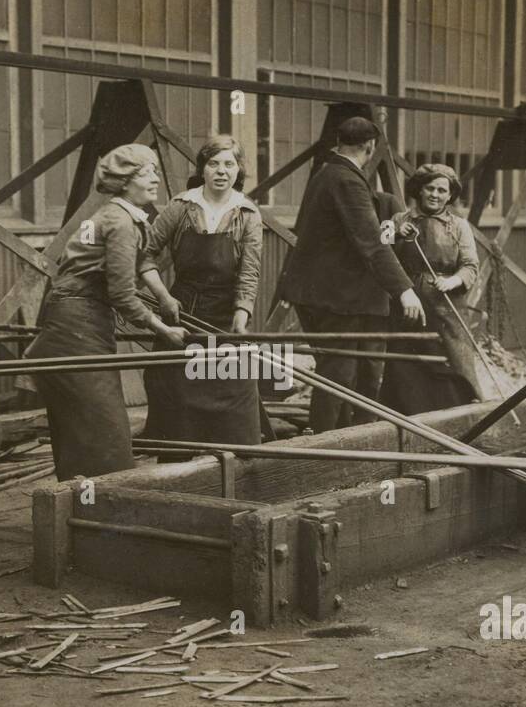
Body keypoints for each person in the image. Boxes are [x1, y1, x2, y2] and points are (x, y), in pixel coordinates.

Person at [26, 144, 186, 481]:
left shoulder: (123, 216)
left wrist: (164, 296)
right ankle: (100, 501)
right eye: (148, 173)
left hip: (84, 320)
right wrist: (162, 329)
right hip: (75, 326)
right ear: (126, 181)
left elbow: (141, 260)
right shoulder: (119, 221)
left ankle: (85, 499)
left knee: (89, 423)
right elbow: (123, 296)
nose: (156, 179)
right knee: (103, 424)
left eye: (155, 171)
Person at [278, 116, 426, 431]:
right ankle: (326, 444)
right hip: (338, 297)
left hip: (327, 293)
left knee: (350, 372)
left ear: (339, 142)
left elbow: (364, 213)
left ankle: (345, 436)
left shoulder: (328, 173)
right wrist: (405, 289)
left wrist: (391, 219)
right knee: (339, 374)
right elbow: (371, 244)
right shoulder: (346, 179)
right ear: (370, 147)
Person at [139, 136, 263, 457]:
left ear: (239, 170)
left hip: (225, 317)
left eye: (229, 164)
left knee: (236, 391)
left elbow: (249, 272)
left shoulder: (248, 213)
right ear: (202, 169)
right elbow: (145, 256)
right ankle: (176, 469)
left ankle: (234, 469)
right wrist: (163, 296)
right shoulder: (180, 207)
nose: (221, 171)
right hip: (183, 315)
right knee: (175, 395)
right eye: (214, 164)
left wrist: (242, 313)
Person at [379, 163, 485, 414]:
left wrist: (452, 281)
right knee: (407, 363)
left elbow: (470, 266)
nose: (435, 195)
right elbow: (378, 249)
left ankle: (456, 413)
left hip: (445, 305)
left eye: (441, 190)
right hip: (408, 304)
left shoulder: (459, 226)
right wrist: (394, 232)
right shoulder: (399, 219)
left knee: (451, 361)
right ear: (419, 190)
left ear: (450, 195)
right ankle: (407, 415)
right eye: (429, 188)